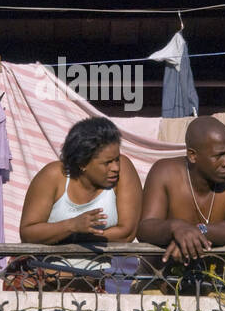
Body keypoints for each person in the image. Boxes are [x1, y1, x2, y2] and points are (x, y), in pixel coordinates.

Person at [18, 117, 142, 281]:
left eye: (117, 159)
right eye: (107, 163)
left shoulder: (124, 172)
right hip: (47, 281)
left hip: (98, 281)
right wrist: (72, 225)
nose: (116, 168)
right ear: (82, 163)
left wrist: (74, 235)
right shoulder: (53, 176)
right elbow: (28, 233)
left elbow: (127, 233)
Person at [137, 116, 225, 264]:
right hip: (159, 278)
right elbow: (145, 227)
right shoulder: (164, 173)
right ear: (193, 156)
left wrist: (197, 231)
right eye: (219, 155)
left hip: (216, 281)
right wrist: (176, 228)